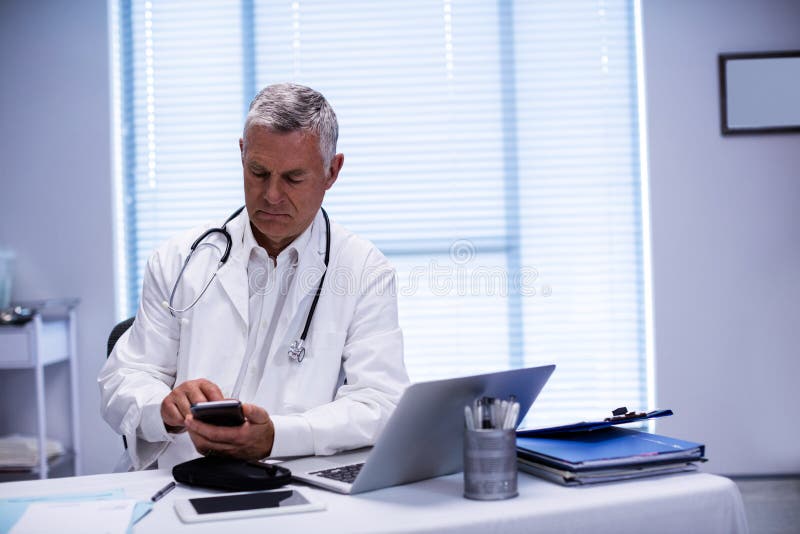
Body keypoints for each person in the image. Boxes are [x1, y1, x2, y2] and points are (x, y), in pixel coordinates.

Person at [99, 83, 409, 470]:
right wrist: (161, 407)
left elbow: (380, 402)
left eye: (293, 178)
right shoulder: (180, 259)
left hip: (291, 478)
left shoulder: (364, 271)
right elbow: (123, 379)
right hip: (177, 479)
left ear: (332, 171)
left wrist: (276, 436)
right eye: (258, 172)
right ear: (242, 154)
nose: (272, 195)